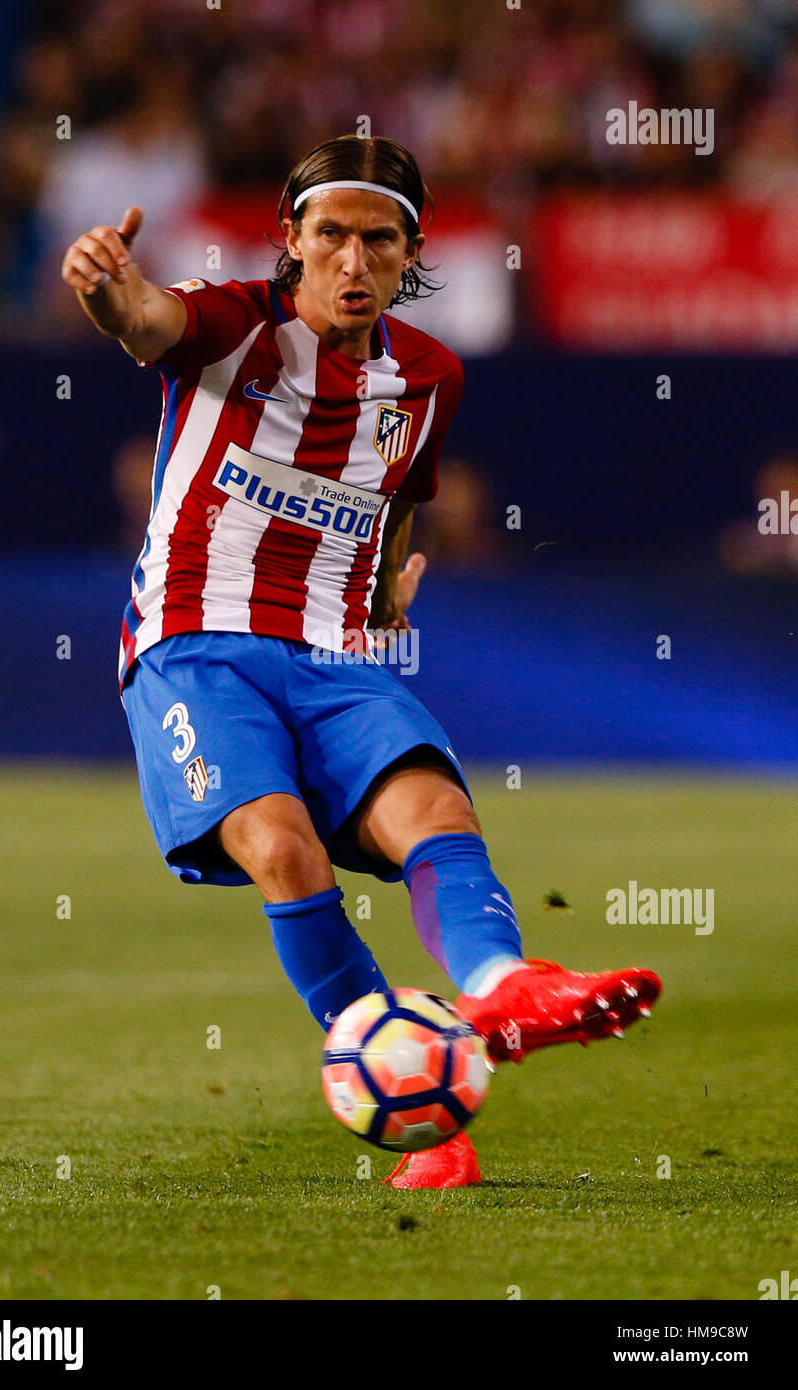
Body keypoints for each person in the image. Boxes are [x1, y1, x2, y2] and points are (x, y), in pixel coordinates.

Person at [61, 134, 661, 1189]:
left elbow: (389, 503)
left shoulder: (428, 377)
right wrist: (107, 288)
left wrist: (383, 588)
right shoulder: (228, 322)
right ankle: (399, 1082)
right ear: (290, 242)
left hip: (335, 651)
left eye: (375, 240)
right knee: (286, 851)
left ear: (408, 251)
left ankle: (504, 985)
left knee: (436, 813)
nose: (351, 260)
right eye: (328, 236)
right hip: (193, 645)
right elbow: (141, 320)